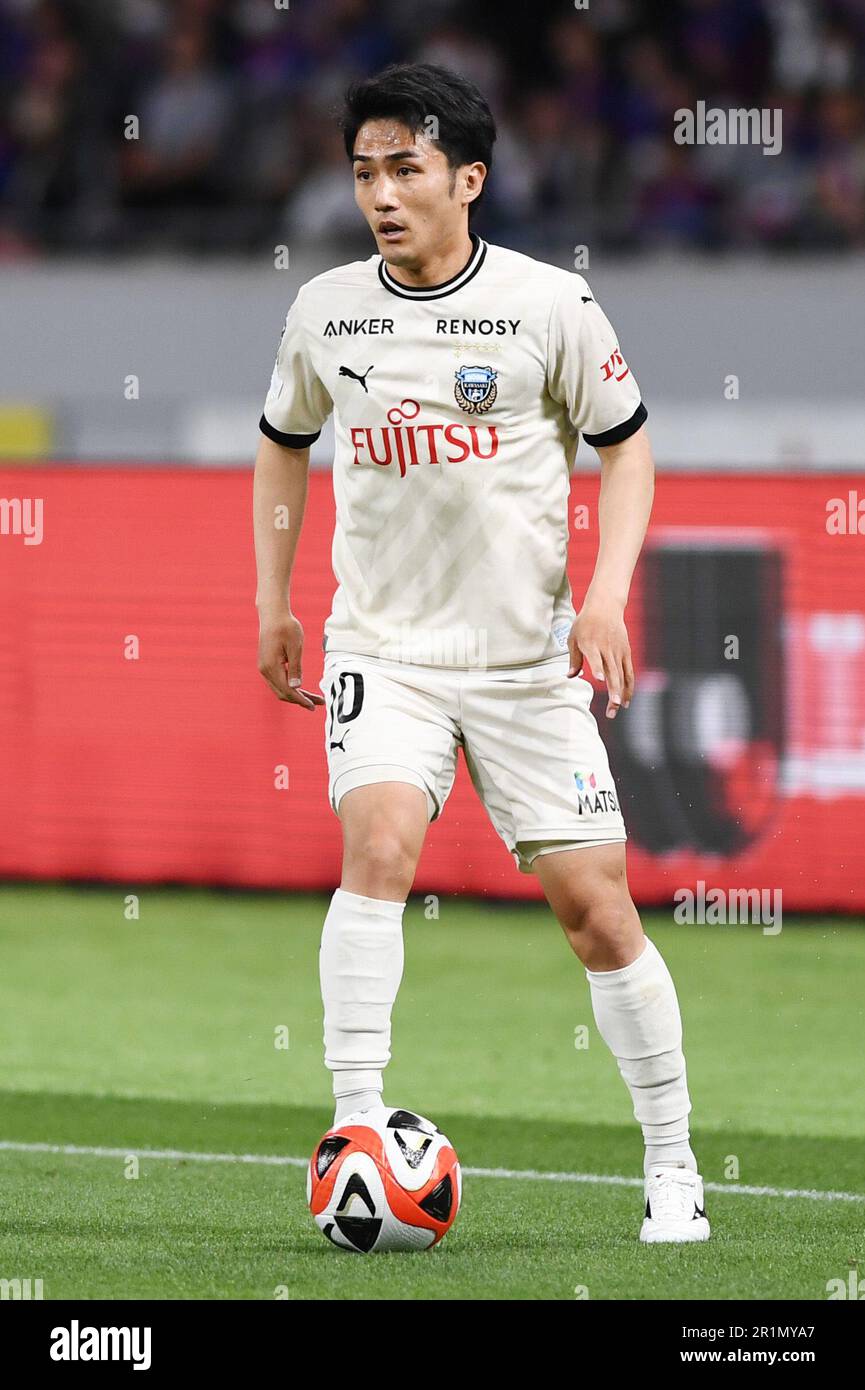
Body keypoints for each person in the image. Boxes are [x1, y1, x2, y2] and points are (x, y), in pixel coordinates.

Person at [253, 62, 709, 1243]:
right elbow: (281, 444)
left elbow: (631, 450)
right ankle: (357, 1128)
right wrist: (273, 596)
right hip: (384, 650)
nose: (381, 195)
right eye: (363, 172)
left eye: (405, 169)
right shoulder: (325, 310)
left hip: (523, 665)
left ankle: (671, 1159)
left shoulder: (549, 305)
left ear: (468, 177)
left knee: (594, 911)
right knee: (380, 842)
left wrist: (606, 595)